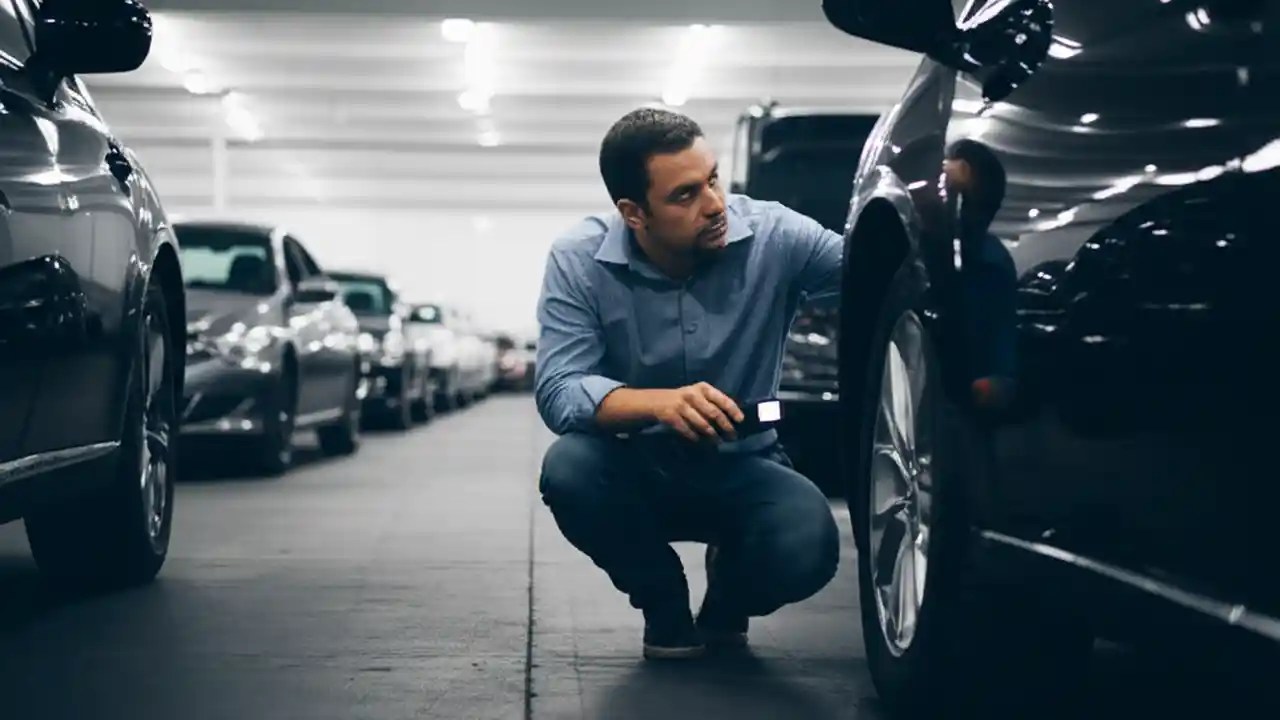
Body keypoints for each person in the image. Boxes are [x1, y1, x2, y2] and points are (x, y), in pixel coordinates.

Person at [533, 107, 842, 661]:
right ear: (634, 213)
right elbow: (559, 389)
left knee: (808, 547)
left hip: (747, 464)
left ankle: (727, 599)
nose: (715, 204)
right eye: (684, 196)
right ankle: (662, 599)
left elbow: (880, 271)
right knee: (569, 468)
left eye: (714, 179)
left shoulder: (776, 234)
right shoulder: (579, 260)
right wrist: (660, 404)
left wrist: (947, 228)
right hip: (632, 469)